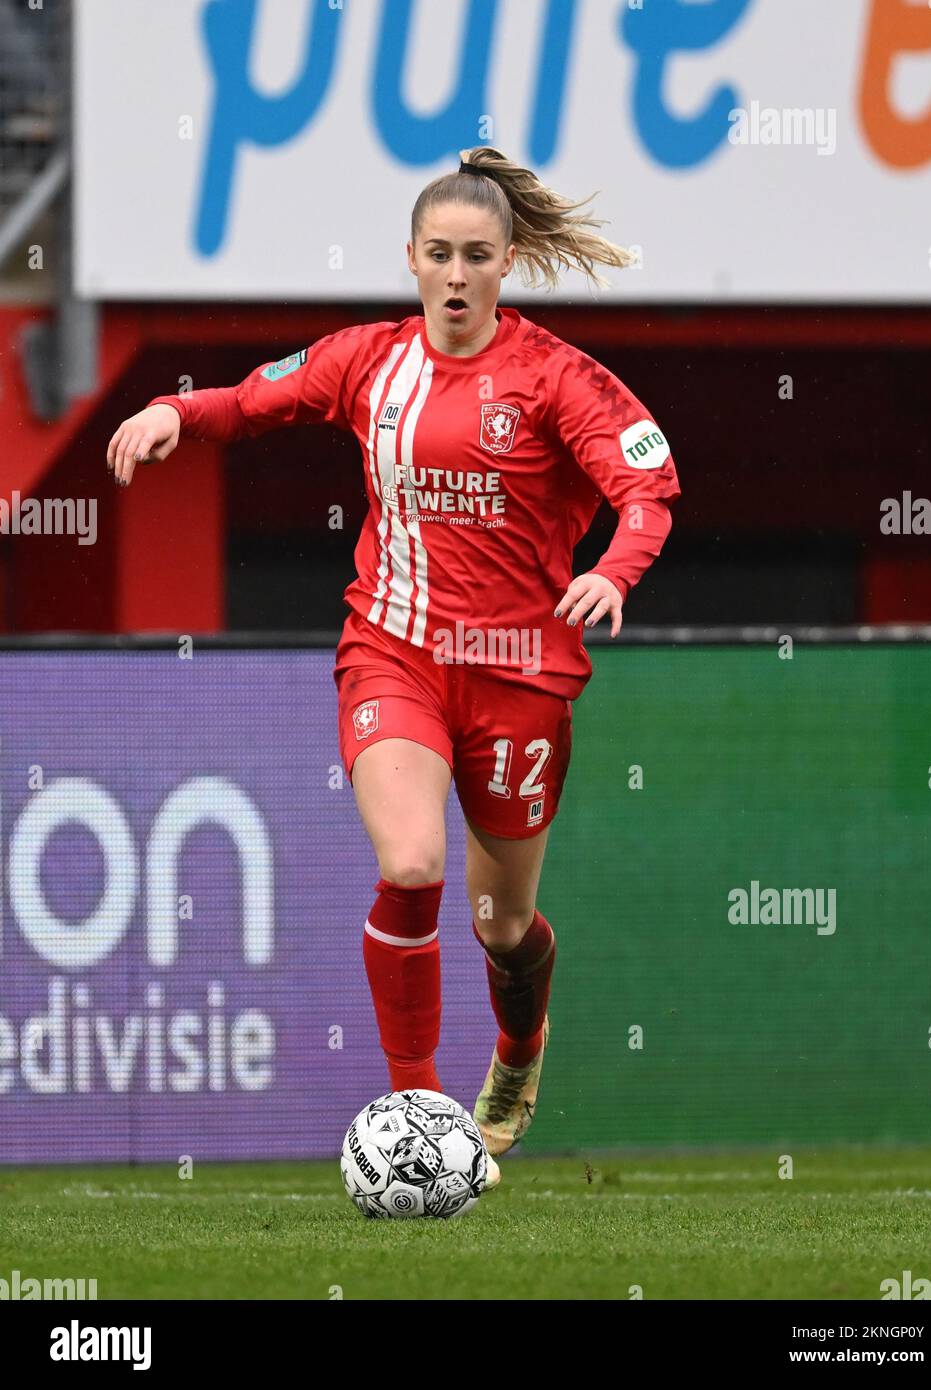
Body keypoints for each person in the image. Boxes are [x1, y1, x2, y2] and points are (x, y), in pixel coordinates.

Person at [106, 147, 680, 1189]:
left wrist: (616, 567)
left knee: (501, 924)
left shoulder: (557, 378)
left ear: (507, 262)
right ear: (409, 258)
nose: (456, 275)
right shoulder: (366, 362)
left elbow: (645, 486)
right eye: (438, 255)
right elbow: (252, 400)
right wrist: (170, 413)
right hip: (395, 653)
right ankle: (417, 1106)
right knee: (410, 863)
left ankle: (515, 1048)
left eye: (476, 256)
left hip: (517, 674)